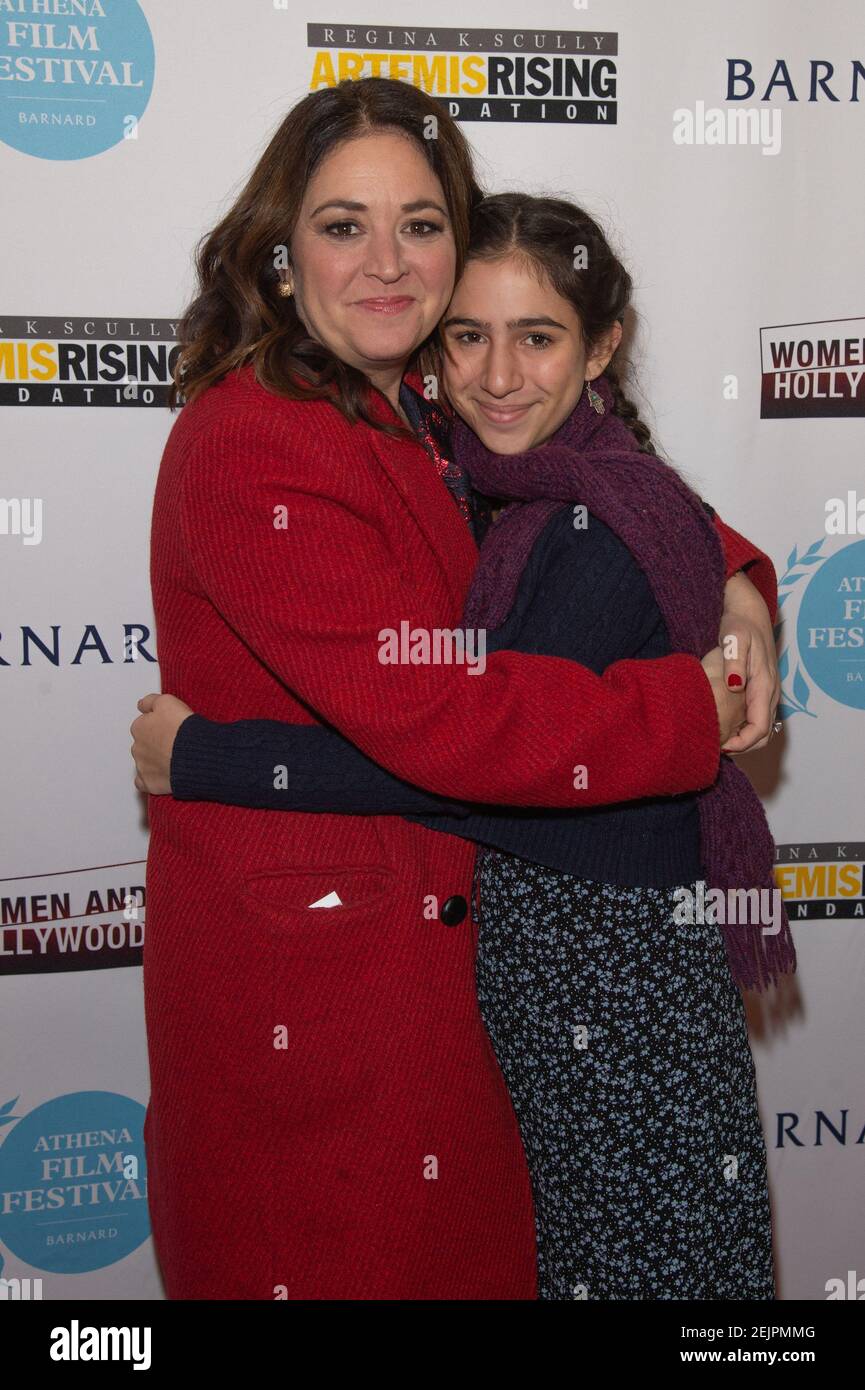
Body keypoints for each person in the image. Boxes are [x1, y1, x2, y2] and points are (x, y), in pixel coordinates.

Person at [137, 78, 781, 1300]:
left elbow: (613, 482)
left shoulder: (417, 401)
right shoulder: (259, 437)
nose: (386, 261)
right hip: (327, 997)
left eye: (420, 224)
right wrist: (682, 716)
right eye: (342, 225)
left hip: (458, 985)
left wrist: (736, 576)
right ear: (278, 251)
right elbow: (446, 710)